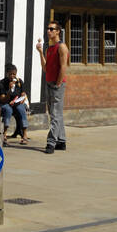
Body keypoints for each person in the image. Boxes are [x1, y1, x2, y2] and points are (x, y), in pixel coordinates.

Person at [37, 21, 69, 154]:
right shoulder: (49, 48)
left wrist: (58, 83)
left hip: (57, 84)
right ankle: (61, 141)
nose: (48, 31)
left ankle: (51, 143)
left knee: (55, 113)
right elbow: (45, 68)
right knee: (55, 113)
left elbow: (63, 67)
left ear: (58, 31)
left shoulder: (62, 47)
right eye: (47, 29)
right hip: (49, 82)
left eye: (51, 29)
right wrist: (40, 52)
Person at [0, 64, 30, 145]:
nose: (12, 76)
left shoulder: (19, 81)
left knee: (21, 109)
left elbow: (23, 94)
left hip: (16, 104)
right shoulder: (2, 83)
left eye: (14, 74)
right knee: (8, 109)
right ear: (6, 73)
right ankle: (4, 134)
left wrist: (21, 99)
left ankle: (25, 135)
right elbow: (3, 99)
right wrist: (9, 89)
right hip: (5, 104)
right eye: (10, 74)